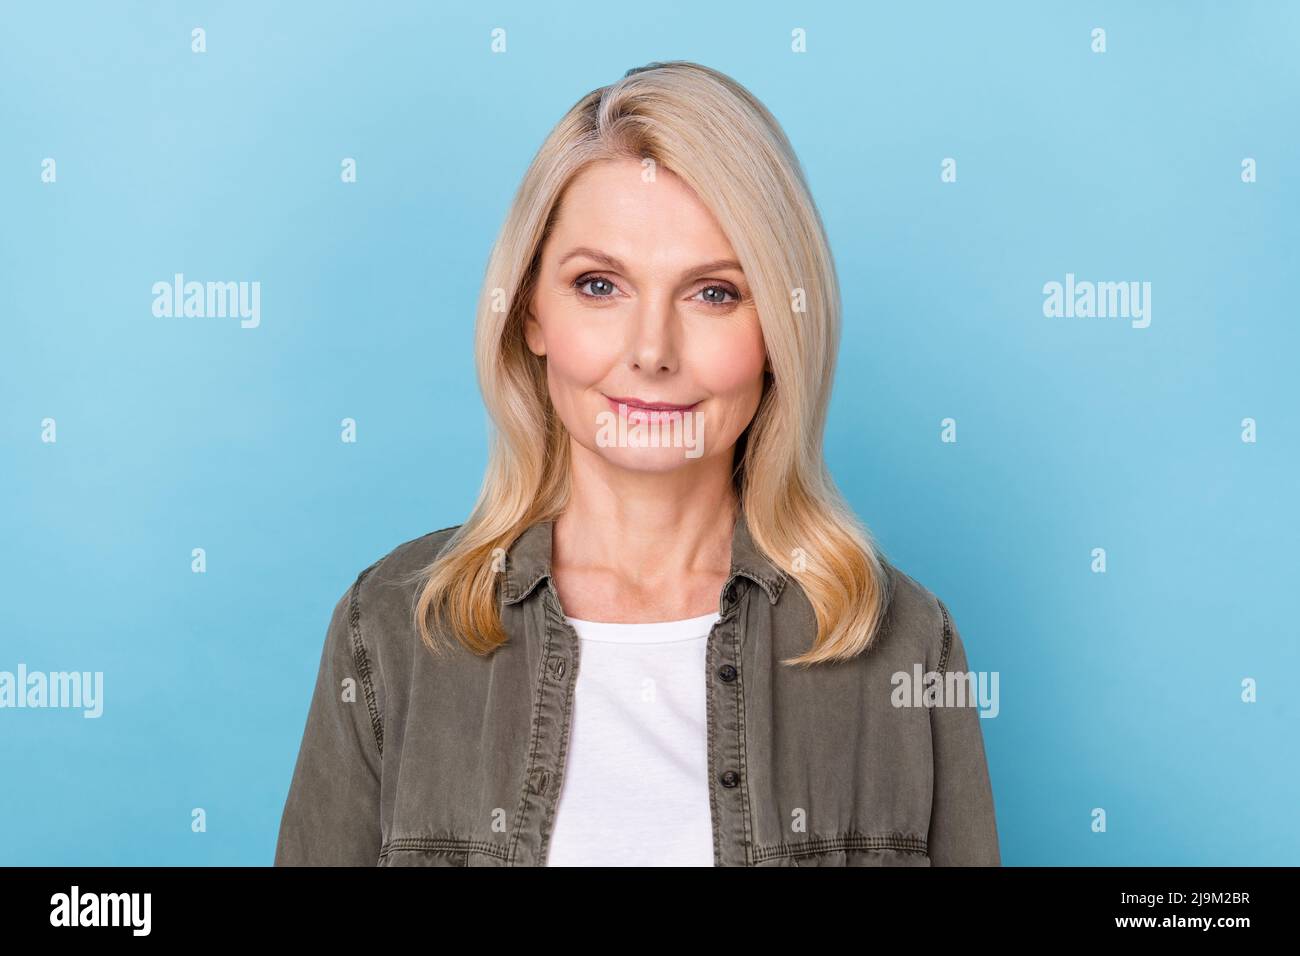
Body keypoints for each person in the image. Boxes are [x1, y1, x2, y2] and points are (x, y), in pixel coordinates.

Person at [274, 60, 1000, 867]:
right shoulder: (390, 631)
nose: (651, 352)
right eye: (599, 285)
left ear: (780, 336)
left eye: (714, 293)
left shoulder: (904, 645)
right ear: (530, 315)